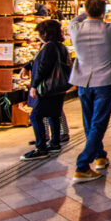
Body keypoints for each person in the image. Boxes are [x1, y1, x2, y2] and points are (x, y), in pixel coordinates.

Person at [69, 0, 111, 183]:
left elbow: (75, 19)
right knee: (98, 123)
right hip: (104, 82)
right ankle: (82, 166)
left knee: (89, 122)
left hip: (83, 82)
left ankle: (100, 156)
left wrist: (86, 12)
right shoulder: (109, 29)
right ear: (104, 12)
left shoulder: (75, 28)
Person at [19, 20, 69, 160]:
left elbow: (43, 68)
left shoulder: (49, 47)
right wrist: (28, 66)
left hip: (48, 87)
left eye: (40, 33)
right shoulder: (59, 47)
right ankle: (54, 143)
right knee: (53, 114)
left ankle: (41, 148)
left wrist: (34, 86)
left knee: (35, 116)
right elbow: (40, 63)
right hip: (58, 87)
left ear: (46, 33)